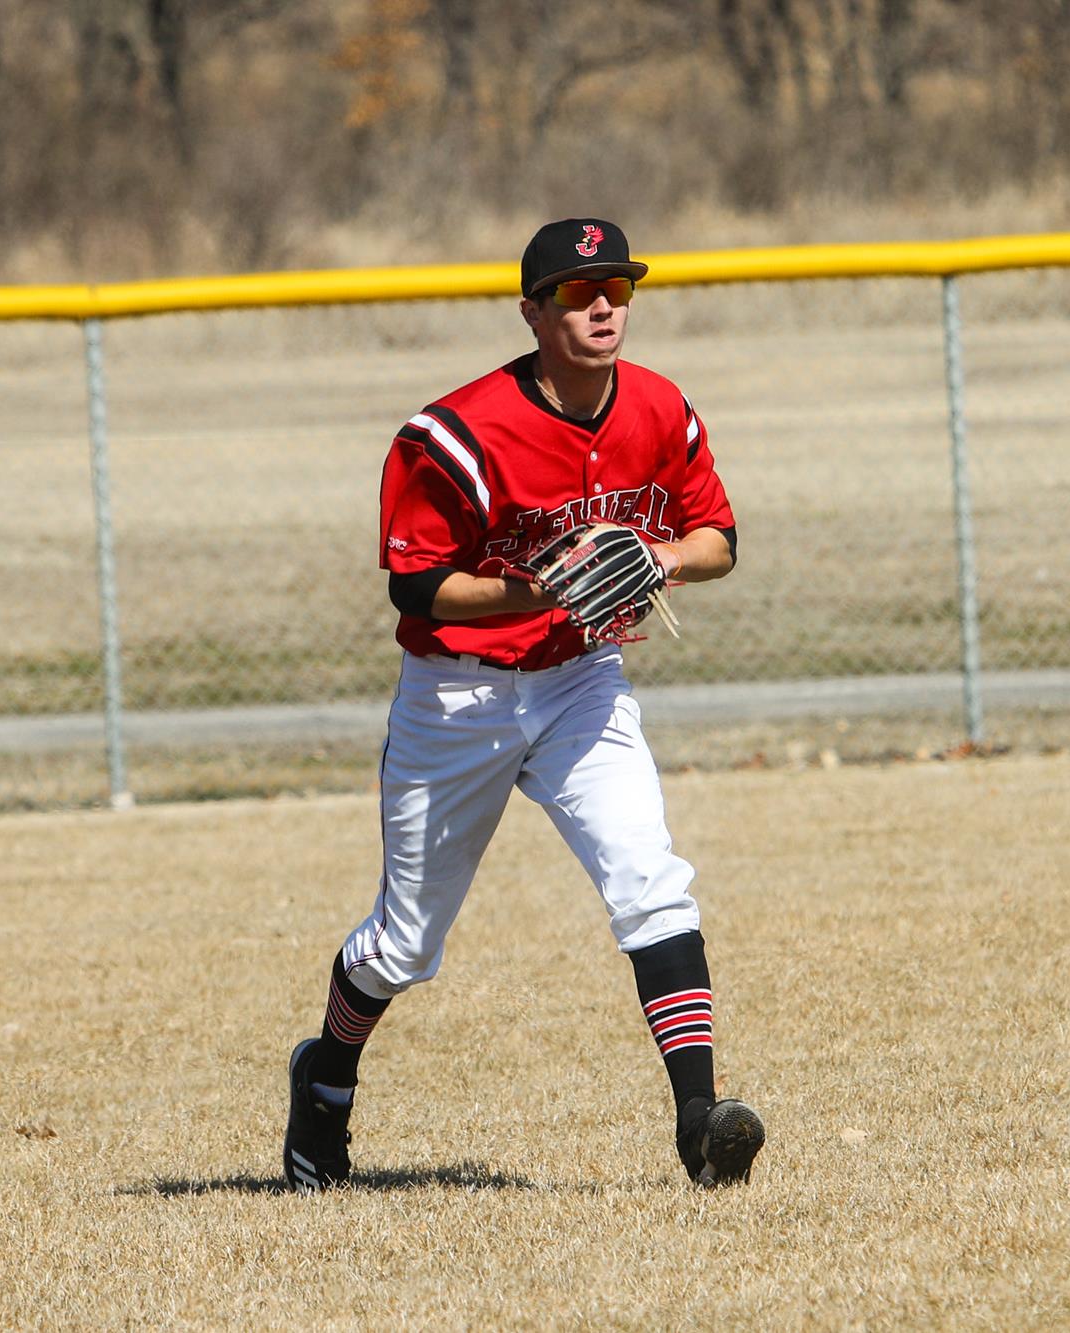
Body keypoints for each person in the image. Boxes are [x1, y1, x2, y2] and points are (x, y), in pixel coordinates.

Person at [282, 218, 763, 1193]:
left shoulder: (660, 408)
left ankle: (698, 1123)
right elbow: (416, 592)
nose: (601, 306)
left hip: (582, 678)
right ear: (533, 312)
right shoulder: (451, 435)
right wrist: (542, 589)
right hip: (458, 694)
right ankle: (325, 1074)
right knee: (403, 944)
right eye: (578, 292)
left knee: (650, 878)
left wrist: (662, 556)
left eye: (616, 290)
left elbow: (717, 536)